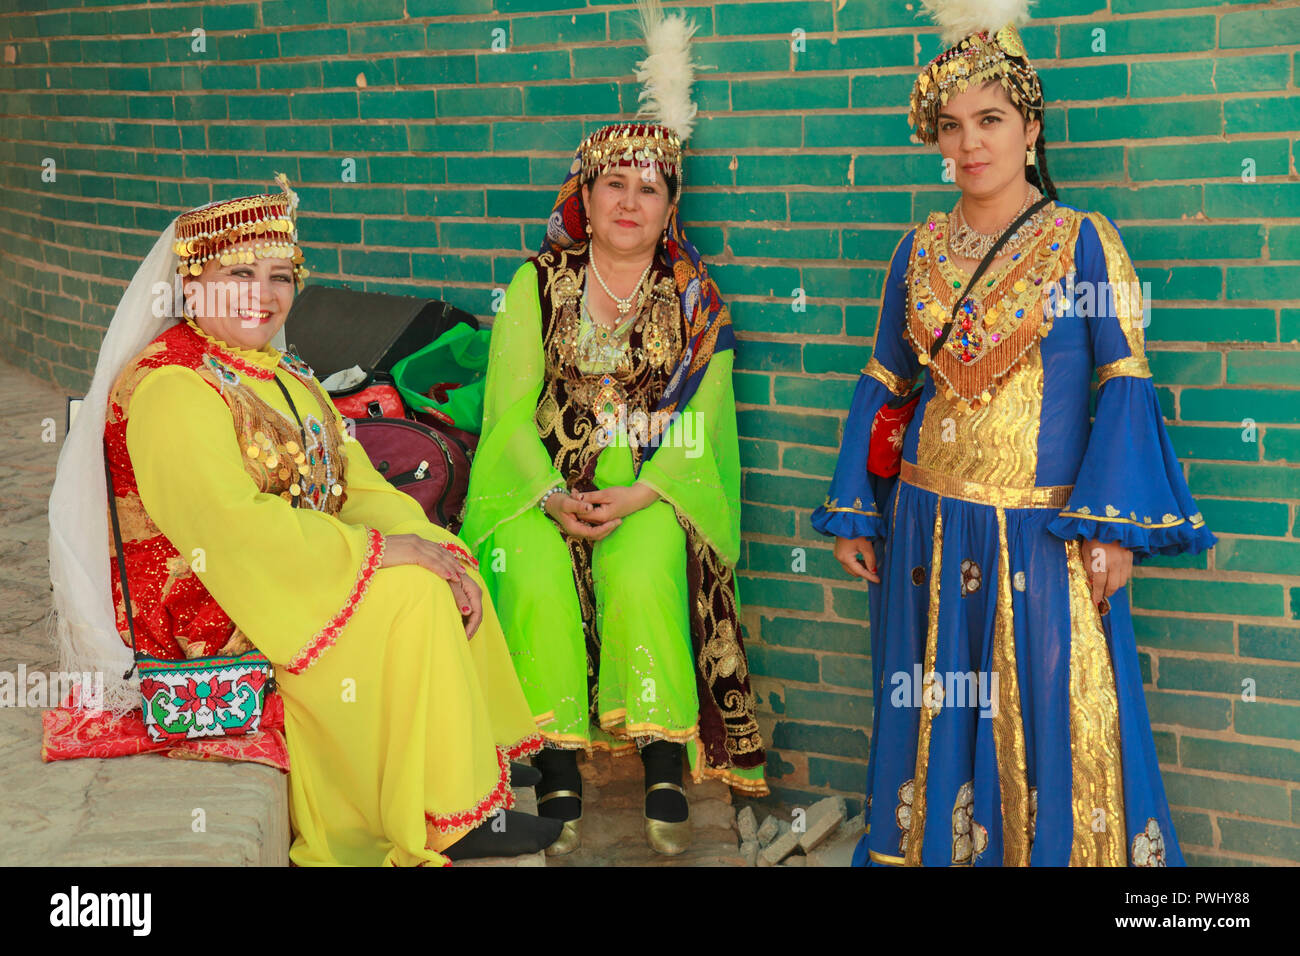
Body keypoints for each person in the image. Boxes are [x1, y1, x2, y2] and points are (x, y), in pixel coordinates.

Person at [45, 177, 561, 866]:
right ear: (192, 286)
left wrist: (423, 540)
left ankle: (462, 756)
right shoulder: (171, 387)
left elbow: (353, 480)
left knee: (442, 559)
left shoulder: (275, 367)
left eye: (280, 276)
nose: (263, 293)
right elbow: (230, 532)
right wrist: (378, 554)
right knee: (406, 592)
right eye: (239, 274)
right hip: (216, 607)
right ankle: (447, 818)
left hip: (289, 567)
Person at [811, 0, 1215, 867]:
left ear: (1029, 128)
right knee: (932, 707)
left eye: (990, 121)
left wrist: (1114, 533)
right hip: (924, 523)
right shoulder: (914, 250)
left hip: (1039, 534)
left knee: (1051, 713)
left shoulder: (1083, 243)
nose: (970, 145)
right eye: (952, 127)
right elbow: (886, 377)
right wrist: (856, 505)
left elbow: (1125, 384)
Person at [460, 0, 766, 857]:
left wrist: (642, 492)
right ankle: (556, 770)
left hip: (647, 481)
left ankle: (665, 757)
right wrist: (551, 494)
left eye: (650, 187)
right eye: (614, 185)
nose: (631, 202)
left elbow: (705, 424)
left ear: (672, 202)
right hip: (539, 481)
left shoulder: (694, 298)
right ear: (584, 196)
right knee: (529, 571)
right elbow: (508, 409)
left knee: (646, 561)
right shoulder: (536, 283)